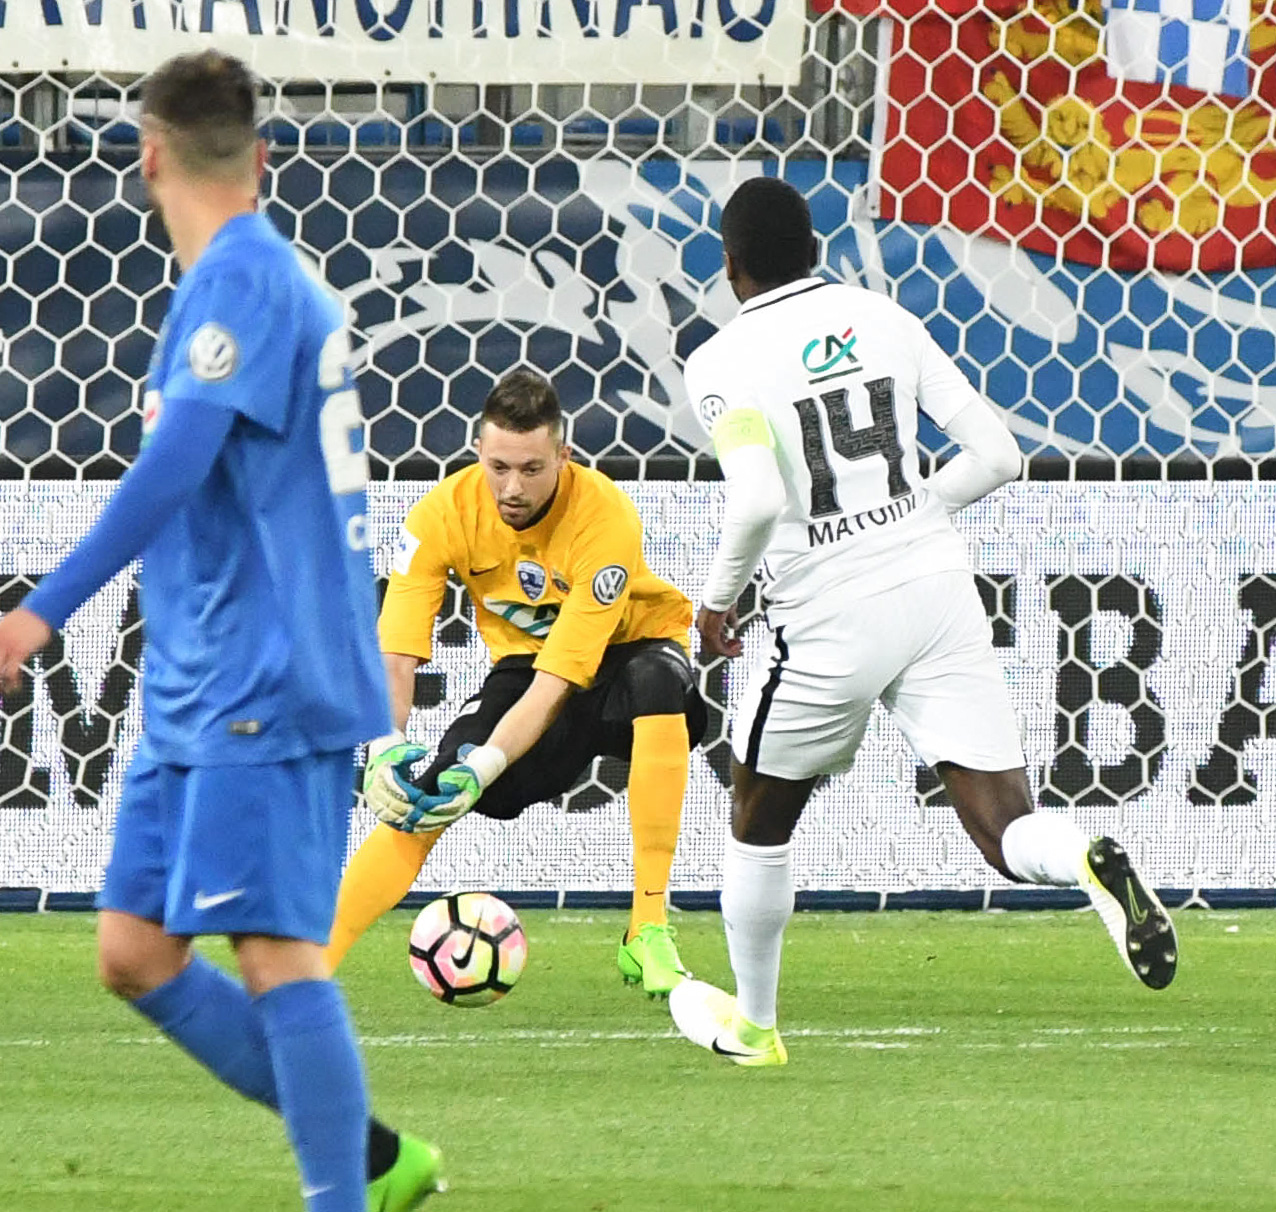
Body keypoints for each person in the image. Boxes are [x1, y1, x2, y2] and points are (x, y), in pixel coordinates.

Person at [0, 51, 441, 1210]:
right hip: (198, 677)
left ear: (146, 155)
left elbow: (172, 468)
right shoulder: (233, 283)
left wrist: (38, 614)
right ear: (264, 154)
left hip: (269, 668)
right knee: (134, 953)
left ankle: (341, 1194)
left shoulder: (246, 279)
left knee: (275, 956)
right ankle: (378, 1163)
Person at [667, 177, 1178, 1068]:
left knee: (759, 818)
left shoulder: (724, 358)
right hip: (938, 592)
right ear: (817, 250)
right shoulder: (885, 319)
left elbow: (753, 500)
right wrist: (914, 513)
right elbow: (1000, 456)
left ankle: (754, 1027)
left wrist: (715, 605)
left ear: (731, 265)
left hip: (827, 614)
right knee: (1005, 829)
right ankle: (1085, 852)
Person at [326, 369, 706, 997]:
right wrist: (385, 746)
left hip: (622, 660)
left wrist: (488, 762)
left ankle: (648, 931)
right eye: (499, 466)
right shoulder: (439, 515)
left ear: (564, 455)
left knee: (656, 679)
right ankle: (312, 966)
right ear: (479, 451)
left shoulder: (604, 516)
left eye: (531, 469)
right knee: (427, 788)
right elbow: (395, 655)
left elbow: (561, 678)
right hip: (525, 669)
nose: (512, 487)